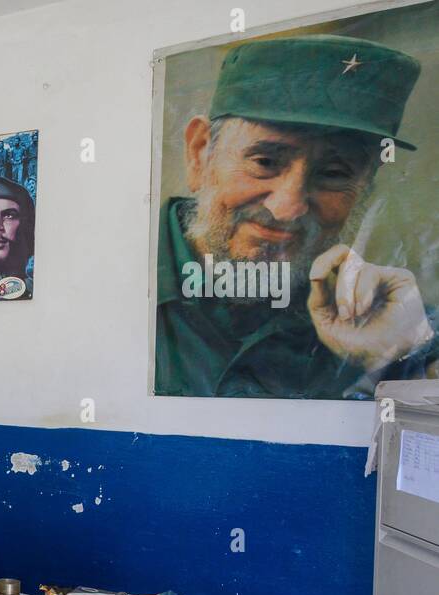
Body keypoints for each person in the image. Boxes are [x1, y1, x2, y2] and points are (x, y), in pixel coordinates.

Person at [155, 35, 437, 398]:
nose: (288, 208)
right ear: (199, 155)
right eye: (264, 162)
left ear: (365, 192)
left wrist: (403, 356)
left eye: (334, 173)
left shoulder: (380, 315)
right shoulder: (109, 276)